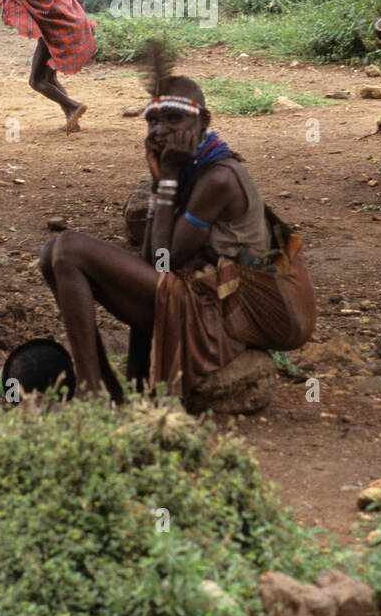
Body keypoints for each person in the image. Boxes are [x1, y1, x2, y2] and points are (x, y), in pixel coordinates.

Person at [38, 60, 316, 401]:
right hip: (202, 296)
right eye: (153, 120)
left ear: (203, 121)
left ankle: (91, 393)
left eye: (173, 119)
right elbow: (151, 260)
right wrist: (161, 183)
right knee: (50, 254)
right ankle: (105, 385)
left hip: (223, 311)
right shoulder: (191, 168)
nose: (160, 130)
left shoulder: (218, 178)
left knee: (69, 249)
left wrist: (166, 180)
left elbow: (162, 264)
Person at [0, 0, 95, 135]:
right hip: (60, 29)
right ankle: (72, 119)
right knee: (49, 79)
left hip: (57, 31)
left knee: (36, 81)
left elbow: (45, 1)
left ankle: (73, 106)